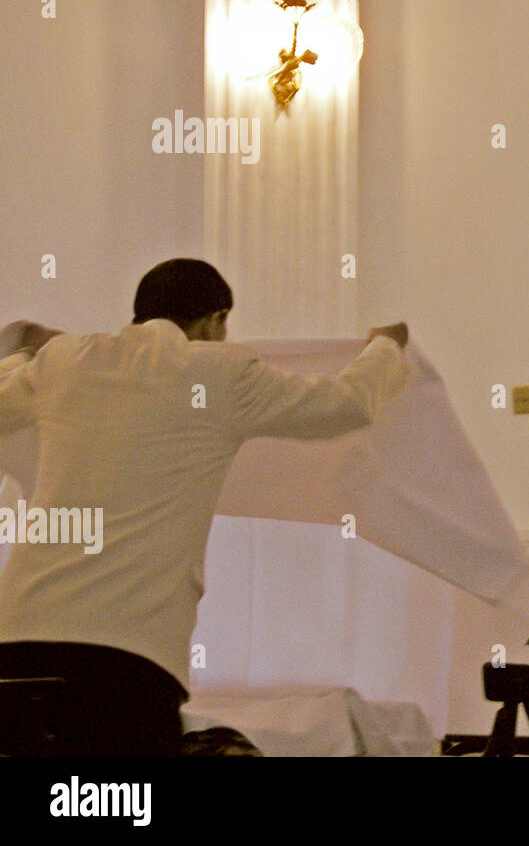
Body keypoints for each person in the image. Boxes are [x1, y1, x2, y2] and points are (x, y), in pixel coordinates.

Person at [0, 258, 409, 756]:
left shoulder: (66, 359)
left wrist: (27, 355)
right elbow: (346, 403)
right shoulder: (221, 370)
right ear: (214, 321)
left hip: (18, 642)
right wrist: (386, 345)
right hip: (128, 654)